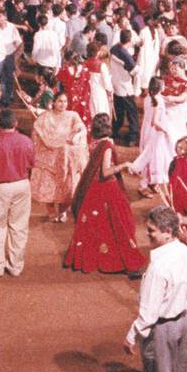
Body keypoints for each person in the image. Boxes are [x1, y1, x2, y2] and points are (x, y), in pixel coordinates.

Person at [124, 204, 187, 372]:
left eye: (152, 230)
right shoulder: (185, 251)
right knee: (179, 371)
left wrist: (132, 335)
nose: (148, 234)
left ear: (167, 232)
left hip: (163, 327)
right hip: (185, 322)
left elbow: (149, 311)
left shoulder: (158, 267)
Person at [65, 113, 146, 275]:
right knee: (120, 224)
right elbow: (106, 171)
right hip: (107, 189)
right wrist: (124, 165)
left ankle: (92, 258)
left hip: (93, 190)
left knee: (97, 227)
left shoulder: (94, 143)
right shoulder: (107, 146)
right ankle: (123, 262)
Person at [0, 108, 35, 277]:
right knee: (19, 226)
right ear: (16, 124)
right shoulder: (26, 141)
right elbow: (32, 163)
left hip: (0, 187)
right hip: (22, 185)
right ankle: (15, 266)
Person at [25, 89, 89, 223]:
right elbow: (37, 131)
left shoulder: (72, 115)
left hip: (66, 158)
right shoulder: (46, 117)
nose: (63, 104)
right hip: (49, 158)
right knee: (49, 186)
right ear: (53, 103)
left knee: (67, 187)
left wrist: (77, 136)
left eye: (65, 101)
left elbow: (81, 128)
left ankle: (62, 211)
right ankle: (52, 212)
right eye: (60, 101)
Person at [130, 77, 173, 204]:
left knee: (150, 156)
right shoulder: (158, 100)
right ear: (160, 87)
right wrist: (166, 130)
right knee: (152, 158)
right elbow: (155, 122)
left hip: (146, 130)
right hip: (155, 132)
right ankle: (143, 185)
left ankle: (151, 182)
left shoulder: (148, 98)